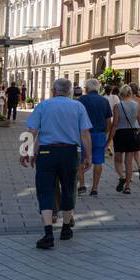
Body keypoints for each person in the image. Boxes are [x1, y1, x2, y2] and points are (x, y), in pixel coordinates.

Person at [21, 77, 93, 249]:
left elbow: (32, 130)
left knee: (45, 191)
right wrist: (88, 156)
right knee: (69, 188)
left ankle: (48, 233)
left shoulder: (44, 106)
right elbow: (84, 133)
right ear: (69, 91)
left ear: (54, 90)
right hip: (69, 153)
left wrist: (25, 151)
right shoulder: (78, 106)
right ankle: (66, 228)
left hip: (46, 152)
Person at [77, 79, 114, 196]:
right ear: (98, 88)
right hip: (99, 134)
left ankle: (82, 184)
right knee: (98, 161)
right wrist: (106, 133)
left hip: (83, 134)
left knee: (80, 160)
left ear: (86, 88)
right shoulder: (104, 101)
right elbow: (109, 121)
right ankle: (94, 188)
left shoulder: (81, 100)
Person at [111, 84, 140, 193]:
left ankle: (122, 177)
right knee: (129, 162)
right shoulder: (136, 105)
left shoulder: (117, 106)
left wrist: (110, 138)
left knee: (118, 159)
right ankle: (128, 187)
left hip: (120, 133)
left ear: (120, 94)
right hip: (132, 133)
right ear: (130, 94)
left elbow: (115, 124)